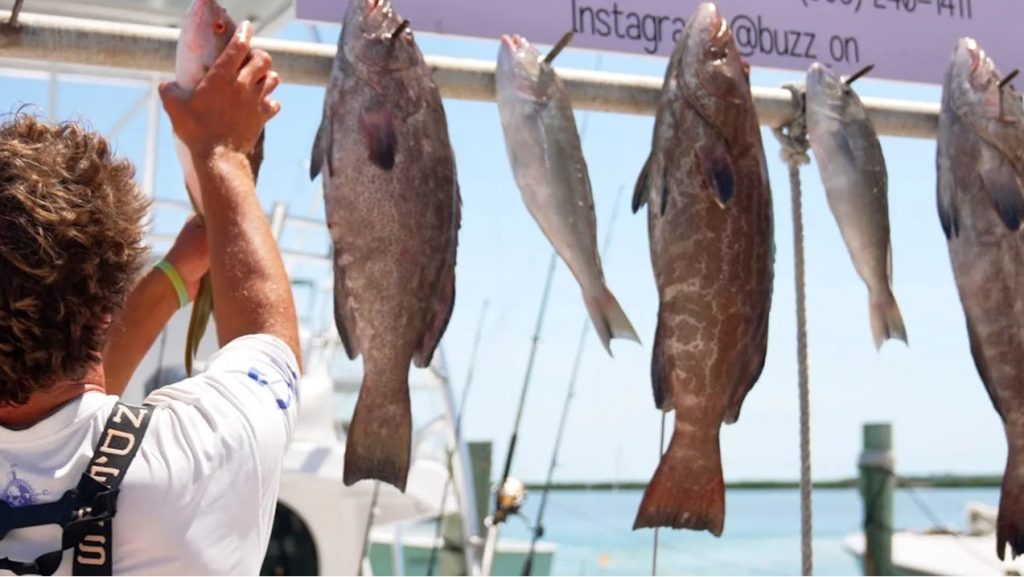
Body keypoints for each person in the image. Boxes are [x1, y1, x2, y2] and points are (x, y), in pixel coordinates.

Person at [0, 21, 302, 575]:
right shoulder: (197, 463)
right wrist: (223, 153)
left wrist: (172, 276)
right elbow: (269, 346)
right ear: (102, 314)